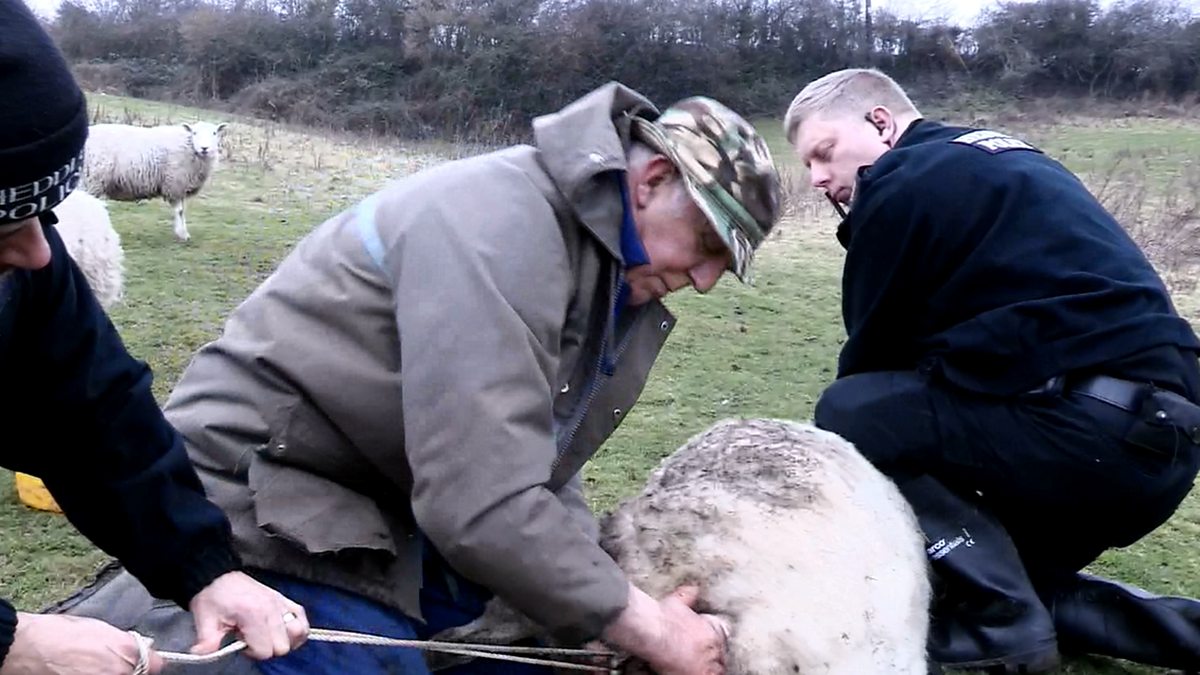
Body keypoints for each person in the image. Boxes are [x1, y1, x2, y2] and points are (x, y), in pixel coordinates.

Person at [52, 82, 783, 674]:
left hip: (383, 505)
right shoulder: (503, 229)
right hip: (263, 494)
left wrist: (596, 596)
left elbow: (538, 462)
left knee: (540, 651)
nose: (708, 281)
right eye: (710, 244)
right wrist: (649, 625)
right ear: (652, 178)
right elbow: (483, 503)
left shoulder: (604, 272)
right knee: (360, 662)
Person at [785, 67, 1200, 673]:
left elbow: (869, 371)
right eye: (806, 166)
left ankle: (1002, 626)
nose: (819, 178)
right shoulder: (999, 158)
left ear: (880, 122)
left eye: (824, 154)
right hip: (1162, 449)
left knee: (848, 412)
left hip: (1085, 432)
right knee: (995, 576)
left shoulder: (901, 181)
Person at [0, 2, 312, 673]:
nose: (39, 254)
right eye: (2, 228)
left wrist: (203, 565)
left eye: (42, 216)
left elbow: (94, 410)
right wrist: (9, 639)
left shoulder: (24, 271)